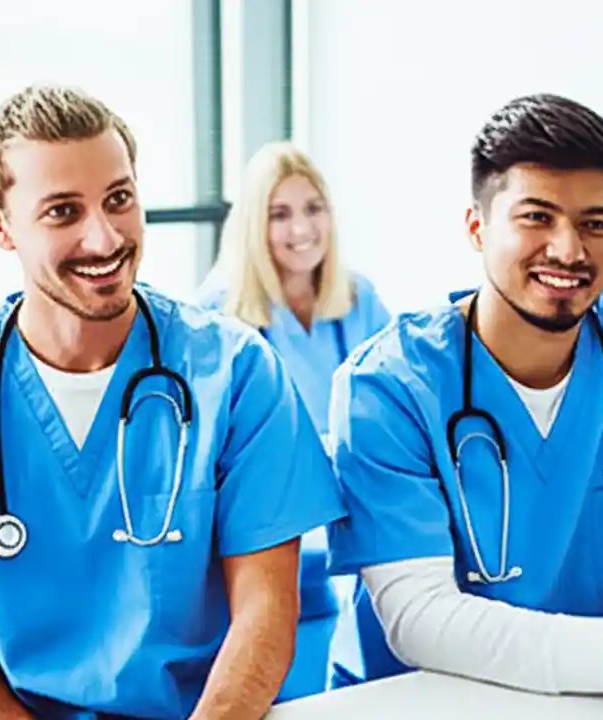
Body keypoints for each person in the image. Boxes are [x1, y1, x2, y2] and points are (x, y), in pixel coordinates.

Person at [0, 85, 345, 719]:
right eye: (63, 212)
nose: (104, 237)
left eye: (119, 200)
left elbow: (266, 607)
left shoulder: (235, 372)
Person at [325, 94, 603, 706]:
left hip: (581, 697)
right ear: (477, 227)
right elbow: (417, 615)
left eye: (596, 223)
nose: (568, 250)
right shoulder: (388, 386)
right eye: (537, 217)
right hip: (413, 700)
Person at [196, 141, 389, 699]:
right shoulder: (216, 318)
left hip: (346, 539)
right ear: (253, 227)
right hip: (264, 546)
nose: (301, 228)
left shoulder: (359, 299)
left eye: (313, 208)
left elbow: (395, 416)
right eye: (279, 214)